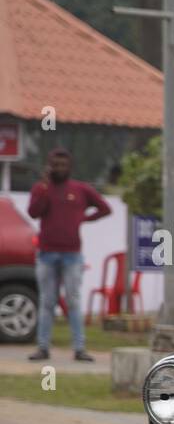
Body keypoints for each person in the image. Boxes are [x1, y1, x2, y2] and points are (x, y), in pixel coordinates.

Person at [26, 148, 110, 362]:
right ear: (49, 166)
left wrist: (84, 219)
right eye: (56, 165)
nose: (59, 168)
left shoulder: (80, 189)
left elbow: (105, 208)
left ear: (69, 167)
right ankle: (43, 347)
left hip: (72, 255)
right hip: (46, 254)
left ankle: (79, 348)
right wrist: (44, 187)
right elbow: (34, 212)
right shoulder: (40, 188)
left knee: (73, 300)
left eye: (63, 165)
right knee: (47, 301)